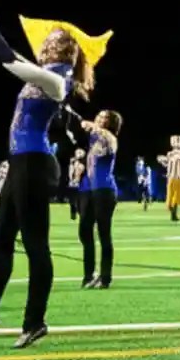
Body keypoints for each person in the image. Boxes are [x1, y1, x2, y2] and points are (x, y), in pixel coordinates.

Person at [0, 0, 90, 350]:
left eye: (50, 42)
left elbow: (8, 58)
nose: (43, 44)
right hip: (21, 163)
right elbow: (14, 57)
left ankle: (34, 321)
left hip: (36, 165)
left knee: (36, 245)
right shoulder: (46, 75)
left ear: (62, 53)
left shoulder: (57, 81)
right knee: (0, 240)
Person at [76, 110, 121, 289]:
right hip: (89, 189)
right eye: (99, 116)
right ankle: (89, 275)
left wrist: (93, 126)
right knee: (85, 231)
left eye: (104, 118)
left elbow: (108, 140)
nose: (99, 119)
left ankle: (105, 277)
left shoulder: (110, 138)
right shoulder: (93, 139)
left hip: (105, 190)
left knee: (104, 233)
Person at [159, 136, 180, 223]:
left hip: (173, 178)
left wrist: (161, 160)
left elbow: (166, 164)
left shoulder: (170, 154)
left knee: (173, 197)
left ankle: (174, 215)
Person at [67, 148, 86, 221]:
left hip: (78, 183)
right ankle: (74, 214)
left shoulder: (81, 164)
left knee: (77, 200)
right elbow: (70, 173)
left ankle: (78, 213)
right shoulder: (73, 163)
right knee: (73, 200)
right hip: (74, 183)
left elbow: (79, 173)